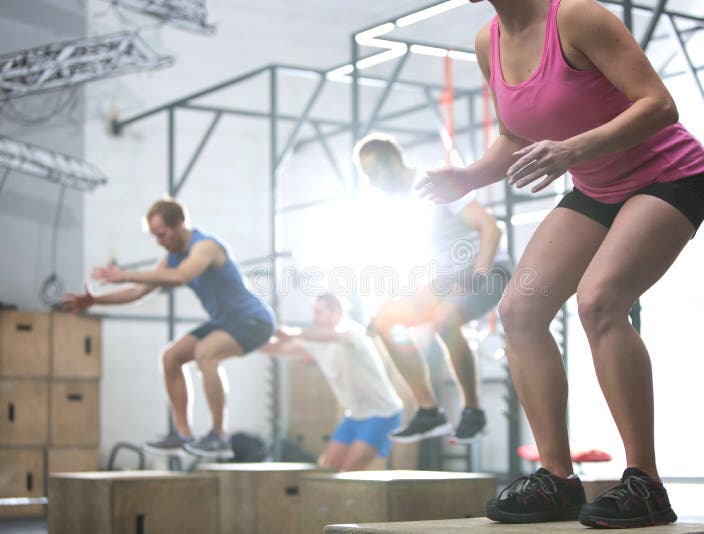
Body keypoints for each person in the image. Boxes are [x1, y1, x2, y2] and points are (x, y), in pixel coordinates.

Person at [416, 0, 704, 527]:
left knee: (599, 302)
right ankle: (557, 479)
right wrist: (468, 177)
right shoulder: (489, 42)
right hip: (598, 187)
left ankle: (645, 483)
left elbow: (659, 106)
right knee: (519, 312)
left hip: (669, 174)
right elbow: (515, 137)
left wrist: (573, 150)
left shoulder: (576, 17)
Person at [61, 199, 276, 459]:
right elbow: (138, 292)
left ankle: (219, 436)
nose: (159, 242)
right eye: (155, 236)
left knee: (206, 353)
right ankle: (182, 433)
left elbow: (180, 277)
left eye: (162, 235)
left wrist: (125, 274)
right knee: (171, 357)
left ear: (180, 225)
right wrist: (95, 300)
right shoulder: (172, 258)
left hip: (252, 318)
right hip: (223, 320)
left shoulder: (205, 247)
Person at [354, 134, 512, 444]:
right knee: (386, 323)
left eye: (374, 173)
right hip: (444, 279)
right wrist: (385, 309)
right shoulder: (395, 206)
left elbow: (490, 227)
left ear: (394, 163)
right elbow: (402, 262)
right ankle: (429, 412)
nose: (371, 183)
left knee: (445, 318)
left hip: (488, 267)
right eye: (366, 176)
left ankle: (473, 411)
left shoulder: (433, 184)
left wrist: (480, 272)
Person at [259, 293, 404, 471]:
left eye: (319, 312)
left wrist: (293, 332)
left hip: (383, 414)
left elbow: (332, 335)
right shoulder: (316, 344)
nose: (314, 317)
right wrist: (245, 338)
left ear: (336, 312)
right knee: (326, 469)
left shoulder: (353, 332)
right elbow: (276, 348)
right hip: (355, 416)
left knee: (349, 473)